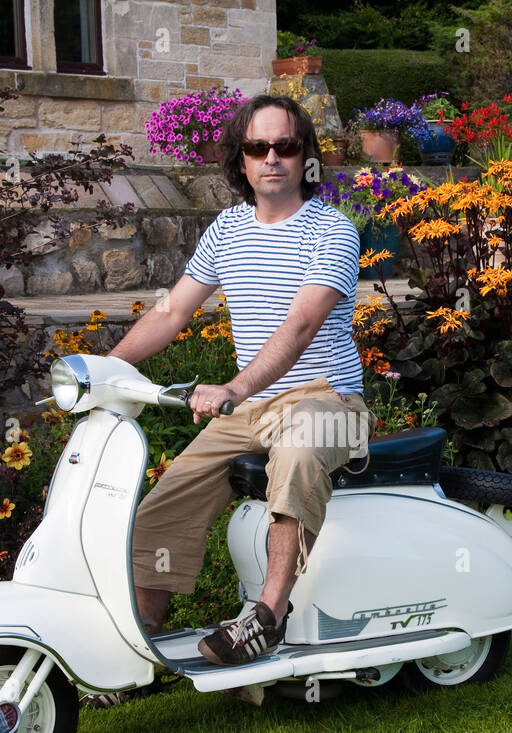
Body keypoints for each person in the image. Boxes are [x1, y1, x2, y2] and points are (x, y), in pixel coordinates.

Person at [105, 94, 373, 694]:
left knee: (300, 451)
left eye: (286, 146)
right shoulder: (225, 231)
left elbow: (301, 327)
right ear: (241, 160)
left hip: (327, 400)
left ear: (305, 156)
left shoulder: (333, 231)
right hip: (251, 409)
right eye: (258, 147)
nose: (272, 157)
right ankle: (140, 640)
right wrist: (104, 368)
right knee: (168, 498)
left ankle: (267, 617)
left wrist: (235, 385)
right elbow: (173, 310)